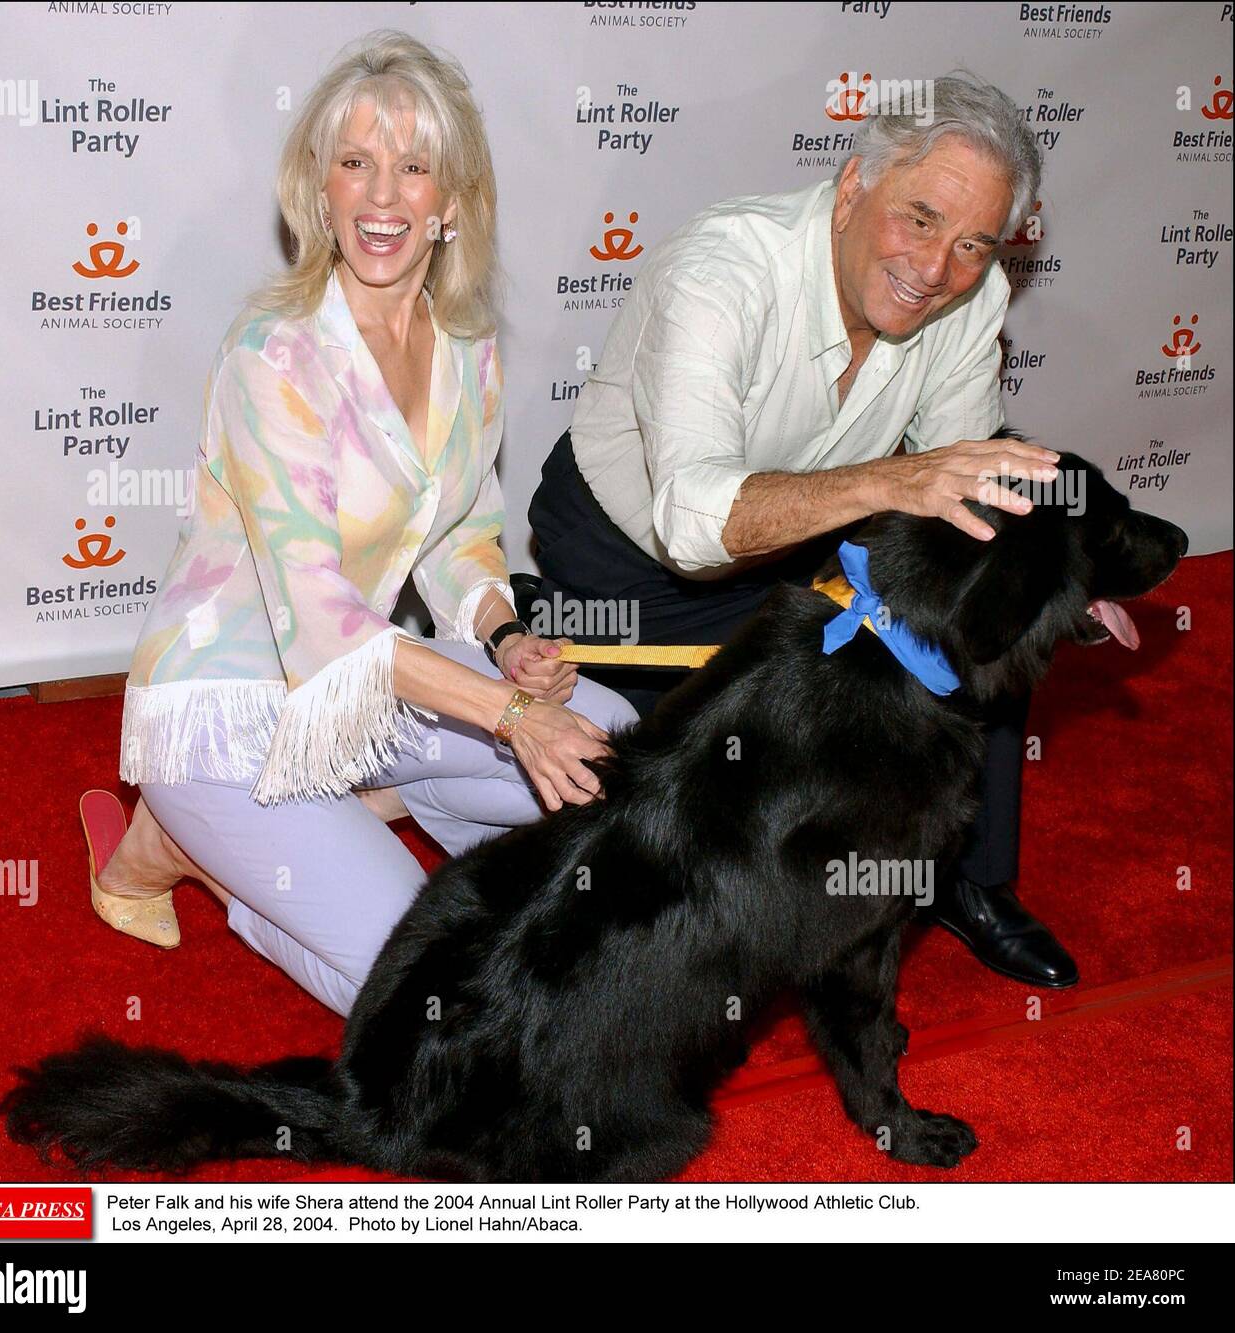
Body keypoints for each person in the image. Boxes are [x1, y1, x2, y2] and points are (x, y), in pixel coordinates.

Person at [86, 31, 637, 1018]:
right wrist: (509, 716)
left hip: (349, 704)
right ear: (319, 186)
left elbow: (463, 530)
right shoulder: (276, 355)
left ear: (451, 203)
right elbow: (325, 624)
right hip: (225, 712)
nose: (382, 198)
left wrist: (507, 642)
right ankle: (205, 853)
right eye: (356, 163)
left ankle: (360, 813)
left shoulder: (465, 343)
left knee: (612, 743)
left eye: (413, 167)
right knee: (432, 1001)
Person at [528, 73, 1077, 988]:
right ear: (854, 184)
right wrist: (893, 479)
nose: (937, 269)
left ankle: (971, 880)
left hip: (807, 543)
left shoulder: (969, 299)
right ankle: (538, 615)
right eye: (921, 218)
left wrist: (1048, 576)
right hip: (633, 554)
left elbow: (954, 501)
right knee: (659, 783)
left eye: (975, 242)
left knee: (982, 613)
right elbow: (697, 523)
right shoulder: (723, 270)